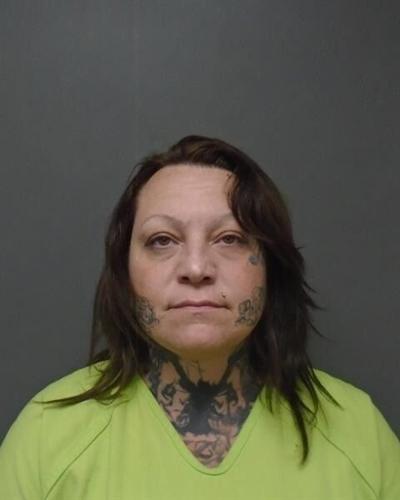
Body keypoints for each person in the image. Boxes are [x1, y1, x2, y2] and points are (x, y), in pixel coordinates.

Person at [0, 135, 399, 499]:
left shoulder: (359, 434)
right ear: (125, 272)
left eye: (229, 238)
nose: (195, 268)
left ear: (270, 267)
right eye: (162, 240)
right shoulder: (46, 436)